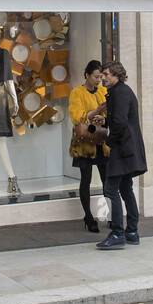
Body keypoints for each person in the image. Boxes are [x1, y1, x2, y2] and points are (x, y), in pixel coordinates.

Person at [95, 61, 146, 250]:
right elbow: (120, 118)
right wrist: (106, 119)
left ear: (117, 75)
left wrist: (108, 141)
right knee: (125, 188)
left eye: (107, 74)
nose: (103, 78)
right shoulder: (121, 91)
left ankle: (117, 233)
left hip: (123, 148)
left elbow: (120, 122)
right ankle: (131, 231)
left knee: (110, 189)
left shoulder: (120, 92)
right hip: (127, 147)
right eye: (102, 75)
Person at [69, 60, 109, 233]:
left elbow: (109, 114)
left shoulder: (103, 91)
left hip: (101, 141)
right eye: (95, 76)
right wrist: (99, 109)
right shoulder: (77, 92)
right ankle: (88, 216)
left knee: (107, 179)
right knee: (85, 179)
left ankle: (111, 215)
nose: (98, 80)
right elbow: (78, 117)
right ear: (87, 75)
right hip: (84, 142)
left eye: (100, 76)